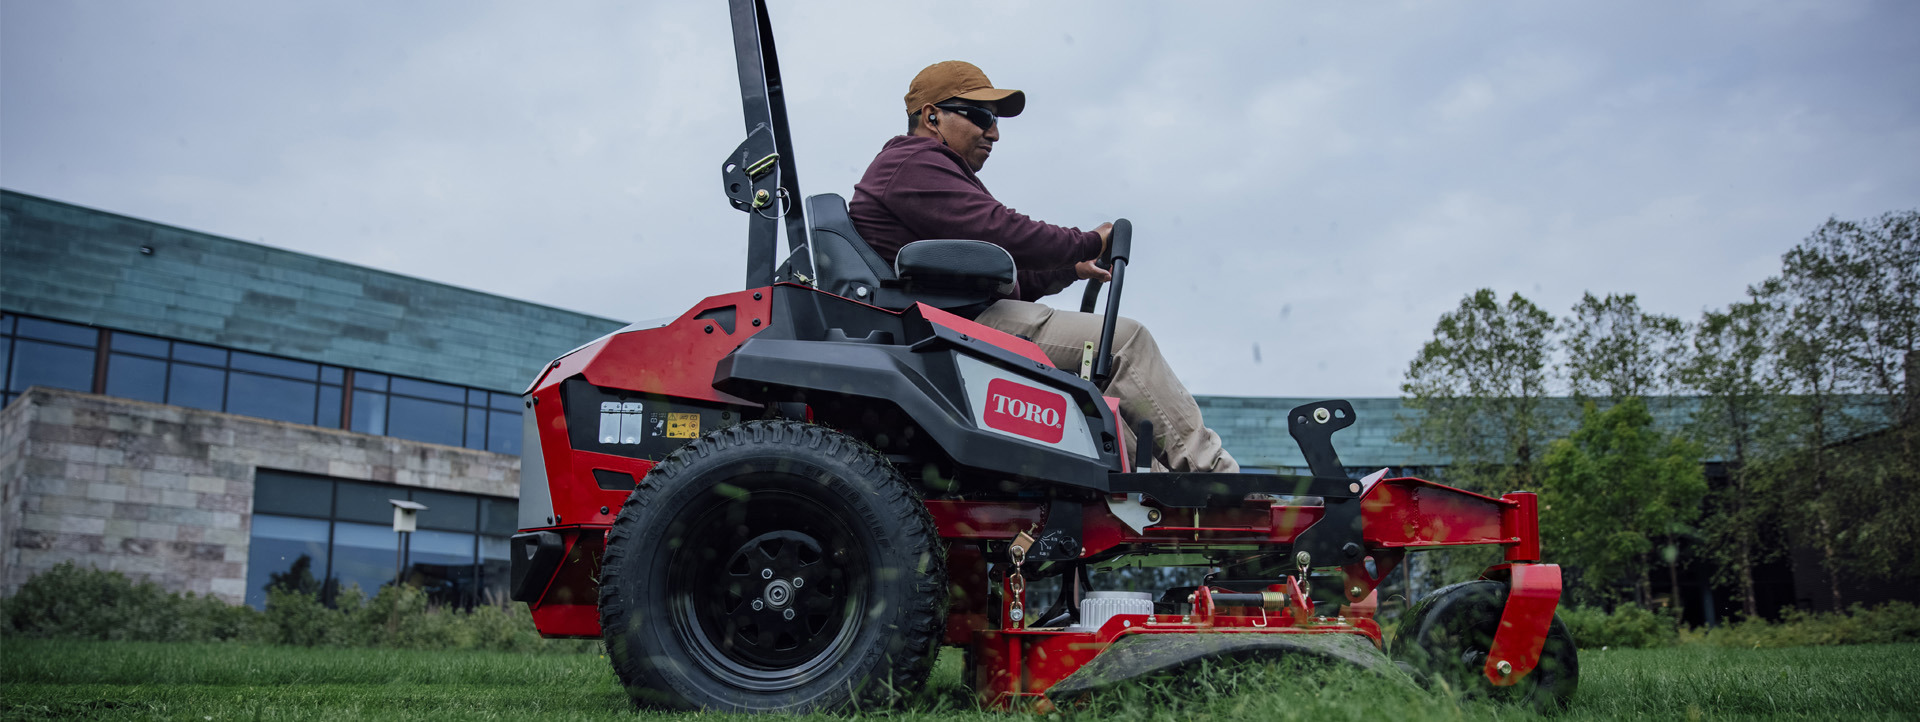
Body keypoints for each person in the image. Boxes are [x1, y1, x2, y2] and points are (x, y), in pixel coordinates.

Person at [848, 60, 1238, 474]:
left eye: (995, 120)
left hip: (957, 320)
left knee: (1096, 405)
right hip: (954, 327)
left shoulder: (921, 173)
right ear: (932, 115)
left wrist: (1071, 267)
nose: (994, 132)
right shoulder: (913, 162)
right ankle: (1218, 480)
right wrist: (1091, 241)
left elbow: (999, 269)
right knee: (1126, 341)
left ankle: (1167, 511)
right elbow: (1002, 231)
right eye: (981, 116)